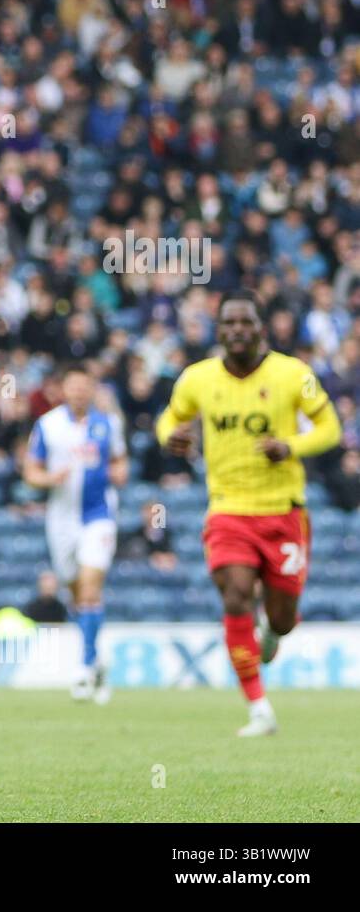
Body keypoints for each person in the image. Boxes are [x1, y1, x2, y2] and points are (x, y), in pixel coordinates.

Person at [156, 289, 341, 737]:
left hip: (283, 513)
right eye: (229, 323)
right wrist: (170, 437)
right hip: (228, 509)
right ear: (218, 331)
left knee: (281, 617)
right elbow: (168, 418)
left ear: (261, 328)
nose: (237, 330)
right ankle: (259, 707)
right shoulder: (196, 379)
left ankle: (274, 631)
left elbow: (331, 427)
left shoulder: (294, 374)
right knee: (236, 594)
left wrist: (290, 446)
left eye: (246, 323)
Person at [23, 362, 127, 704]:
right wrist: (50, 479)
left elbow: (120, 463)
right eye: (74, 386)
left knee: (89, 587)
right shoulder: (48, 426)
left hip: (98, 516)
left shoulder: (108, 424)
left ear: (93, 389)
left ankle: (83, 669)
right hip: (61, 520)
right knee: (75, 592)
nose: (79, 392)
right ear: (63, 389)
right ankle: (96, 660)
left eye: (85, 386)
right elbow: (30, 471)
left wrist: (117, 474)